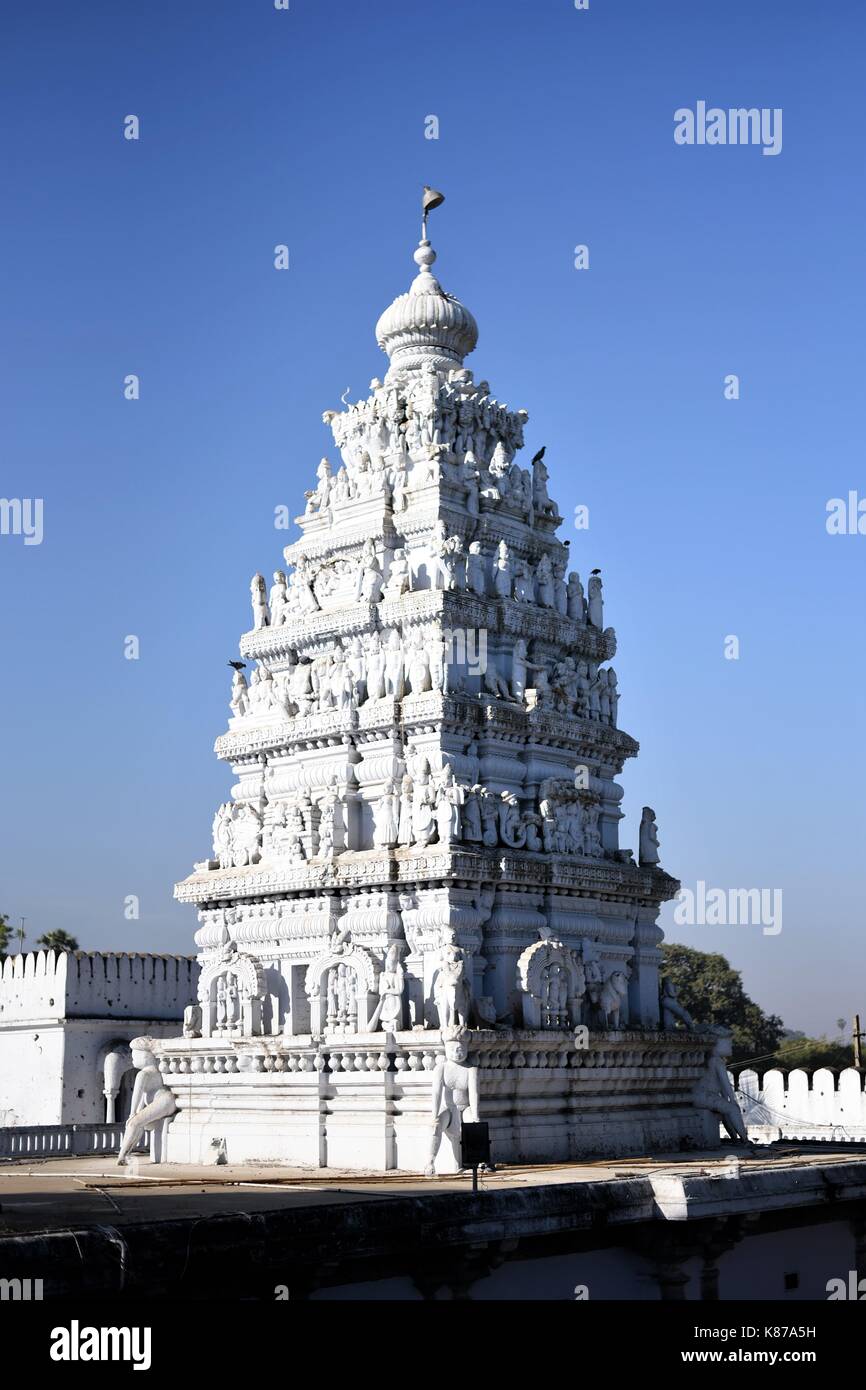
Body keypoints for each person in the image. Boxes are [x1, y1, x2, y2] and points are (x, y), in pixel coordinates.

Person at [116, 1038, 177, 1166]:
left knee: (133, 1124)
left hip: (164, 1101)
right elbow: (142, 1099)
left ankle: (122, 1156)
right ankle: (125, 1154)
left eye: (135, 1054)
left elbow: (137, 1096)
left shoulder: (143, 1074)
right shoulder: (155, 1070)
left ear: (145, 1056)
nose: (132, 1058)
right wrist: (136, 1115)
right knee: (137, 1124)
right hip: (167, 1101)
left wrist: (132, 1114)